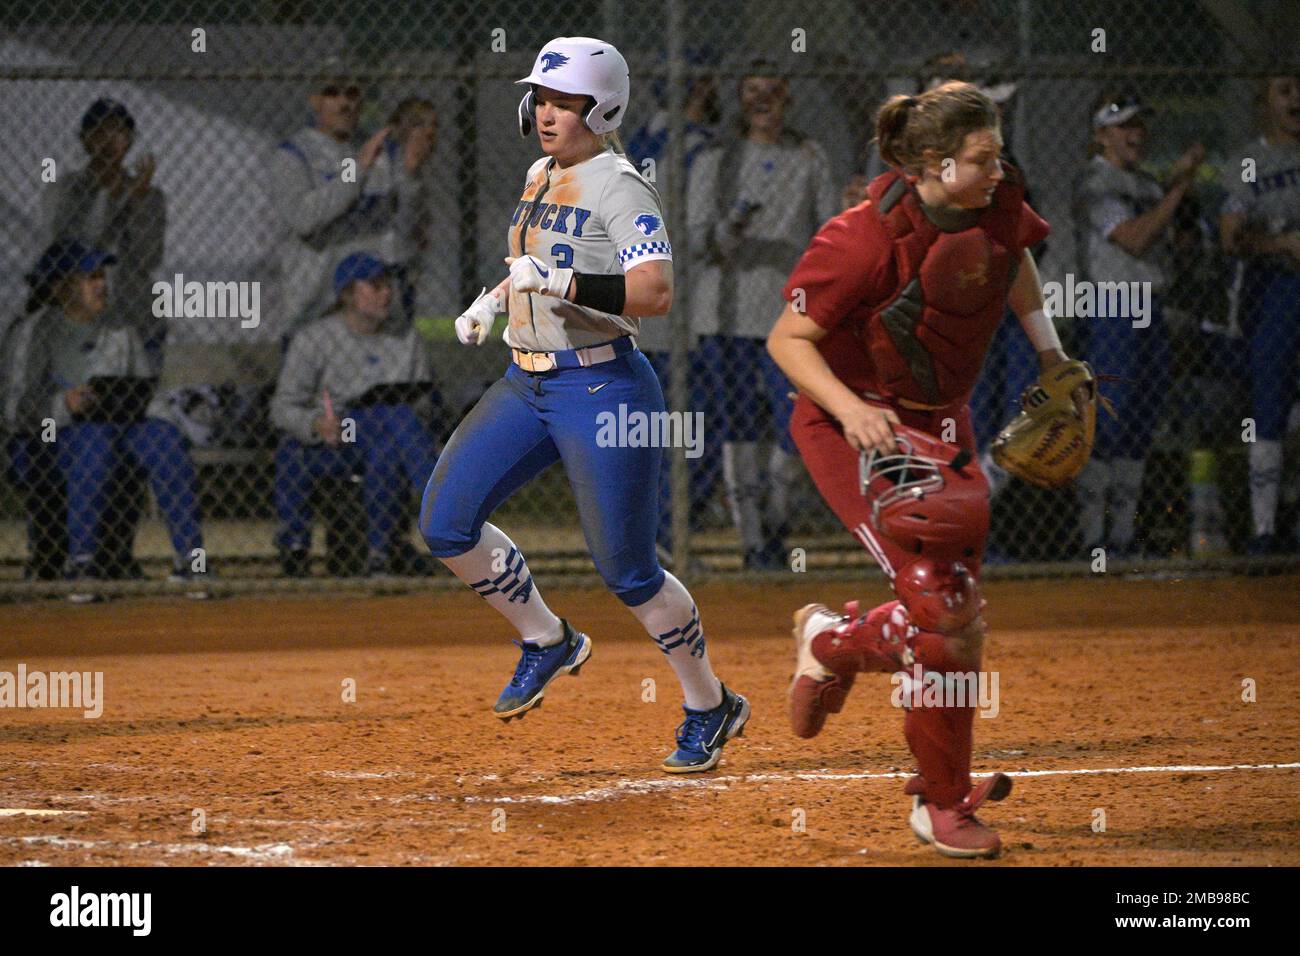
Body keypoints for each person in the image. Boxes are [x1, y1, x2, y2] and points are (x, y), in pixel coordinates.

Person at [420, 36, 749, 773]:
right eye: (541, 97)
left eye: (564, 101)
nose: (545, 112)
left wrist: (557, 286)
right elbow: (532, 268)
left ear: (601, 108)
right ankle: (547, 638)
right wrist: (489, 303)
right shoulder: (541, 172)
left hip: (602, 386)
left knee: (628, 570)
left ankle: (710, 703)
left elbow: (654, 294)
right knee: (445, 525)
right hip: (525, 381)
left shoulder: (620, 185)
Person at [767, 81, 1077, 857]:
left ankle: (834, 644)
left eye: (998, 154)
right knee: (942, 610)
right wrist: (852, 410)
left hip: (942, 422)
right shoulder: (862, 238)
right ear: (935, 165)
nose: (999, 170)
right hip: (855, 425)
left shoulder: (995, 206)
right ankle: (941, 805)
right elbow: (787, 341)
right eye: (982, 159)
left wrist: (1051, 353)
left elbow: (1014, 263)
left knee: (957, 617)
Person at [687, 60, 840, 569]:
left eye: (772, 90)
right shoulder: (715, 158)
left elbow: (829, 234)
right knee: (738, 427)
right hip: (725, 314)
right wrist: (734, 224)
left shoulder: (807, 155)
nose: (762, 100)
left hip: (787, 316)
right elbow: (697, 241)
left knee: (794, 423)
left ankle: (776, 521)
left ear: (787, 98)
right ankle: (754, 542)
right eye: (751, 91)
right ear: (739, 98)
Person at [5, 239, 208, 601]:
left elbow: (145, 393)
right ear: (60, 285)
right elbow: (14, 407)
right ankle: (82, 564)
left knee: (163, 438)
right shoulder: (35, 330)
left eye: (102, 276)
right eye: (90, 277)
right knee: (93, 440)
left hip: (117, 430)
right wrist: (64, 403)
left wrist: (164, 420)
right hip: (50, 435)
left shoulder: (119, 329)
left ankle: (191, 561)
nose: (102, 284)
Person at [1072, 92, 1204, 558]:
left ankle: (1122, 537)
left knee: (1140, 421)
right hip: (1113, 303)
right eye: (1124, 126)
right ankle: (1093, 538)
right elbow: (1133, 237)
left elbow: (1178, 242)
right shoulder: (1096, 181)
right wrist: (1177, 189)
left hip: (1151, 304)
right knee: (1109, 418)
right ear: (1102, 135)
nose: (1135, 135)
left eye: (1139, 126)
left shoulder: (1147, 184)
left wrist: (1181, 193)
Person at [270, 252, 440, 578]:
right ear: (348, 293)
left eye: (388, 285)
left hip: (389, 441)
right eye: (374, 286)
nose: (386, 293)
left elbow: (424, 404)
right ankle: (436, 500)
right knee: (392, 420)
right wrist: (316, 424)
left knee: (392, 431)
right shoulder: (317, 338)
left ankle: (379, 553)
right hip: (344, 430)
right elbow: (282, 406)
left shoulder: (406, 339)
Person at [269, 74, 433, 337]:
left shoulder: (382, 152)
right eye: (333, 93)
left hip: (375, 309)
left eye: (352, 93)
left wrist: (411, 176)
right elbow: (303, 219)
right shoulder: (294, 154)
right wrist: (357, 172)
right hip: (315, 303)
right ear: (315, 101)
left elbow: (407, 224)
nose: (344, 103)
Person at [1220, 74, 1300, 554]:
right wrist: (1282, 243)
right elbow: (1232, 237)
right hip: (1276, 287)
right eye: (1285, 91)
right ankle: (1264, 530)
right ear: (1265, 103)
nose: (1297, 98)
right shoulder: (1252, 162)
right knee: (1269, 406)